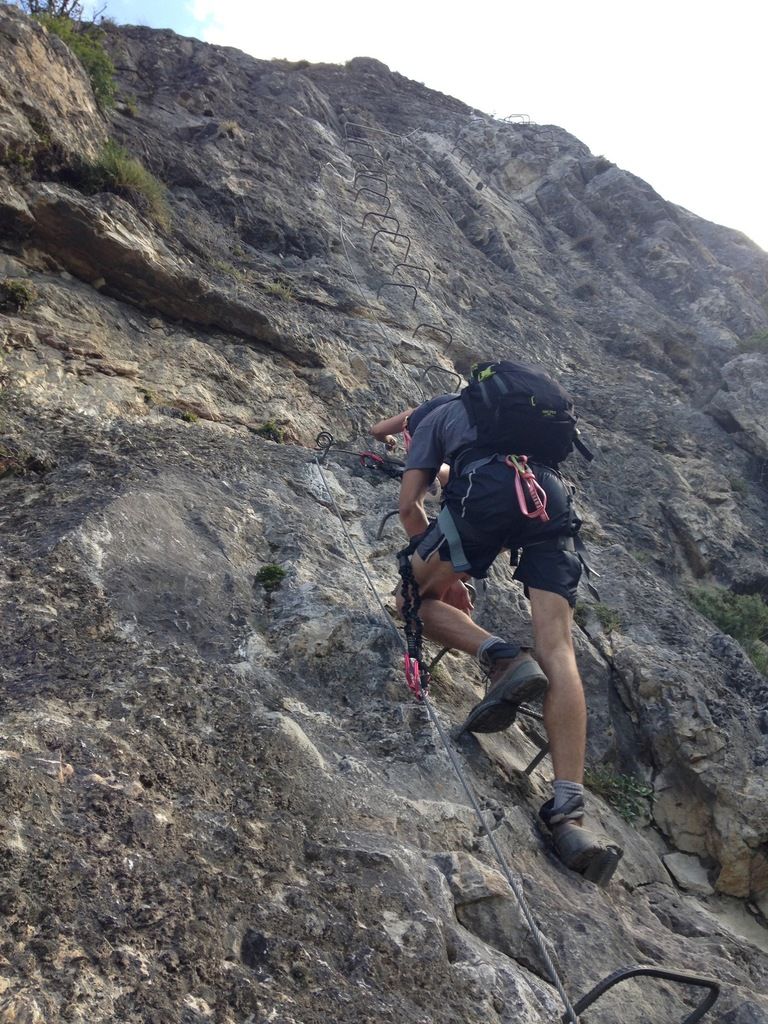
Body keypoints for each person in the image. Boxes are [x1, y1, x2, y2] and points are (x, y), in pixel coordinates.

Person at [396, 361, 623, 884]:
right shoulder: (505, 419)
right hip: (549, 496)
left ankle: (502, 656)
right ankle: (570, 815)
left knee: (411, 598)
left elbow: (410, 507)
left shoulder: (434, 419)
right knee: (559, 646)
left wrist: (439, 570)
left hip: (489, 491)